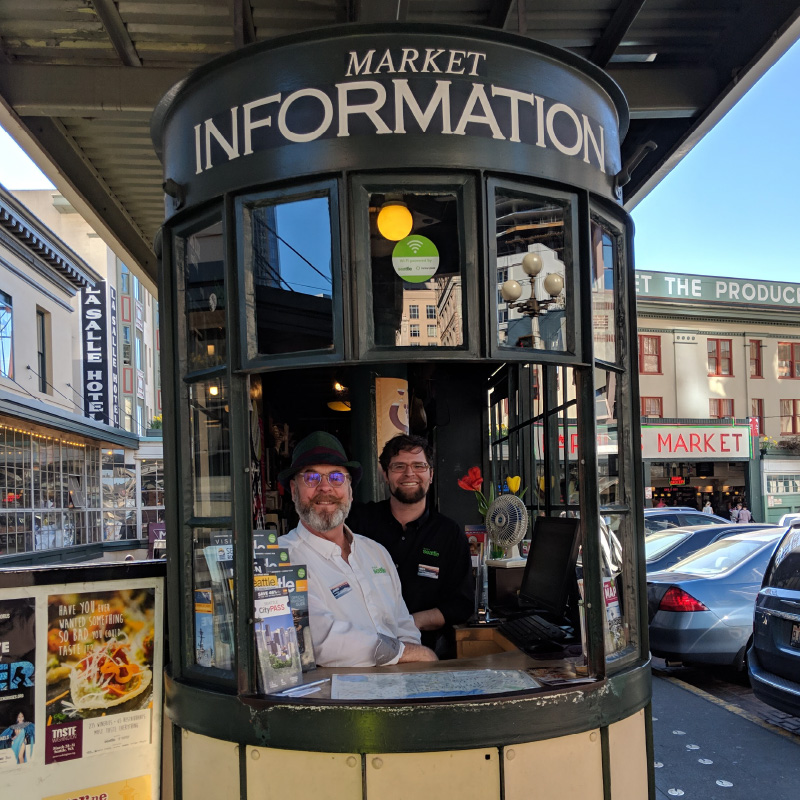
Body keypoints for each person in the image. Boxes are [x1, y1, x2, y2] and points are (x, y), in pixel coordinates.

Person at [278, 431, 437, 668]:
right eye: (311, 478)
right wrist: (408, 654)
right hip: (334, 700)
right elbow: (318, 639)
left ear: (350, 491)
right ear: (293, 490)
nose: (325, 488)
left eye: (336, 478)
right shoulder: (282, 558)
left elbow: (404, 626)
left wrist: (410, 668)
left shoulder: (376, 552)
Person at [347, 434, 474, 657]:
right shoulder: (358, 523)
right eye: (399, 466)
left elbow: (460, 605)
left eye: (419, 466)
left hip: (425, 653)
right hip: (360, 649)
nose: (409, 473)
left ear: (431, 474)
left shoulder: (449, 534)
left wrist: (407, 624)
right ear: (385, 475)